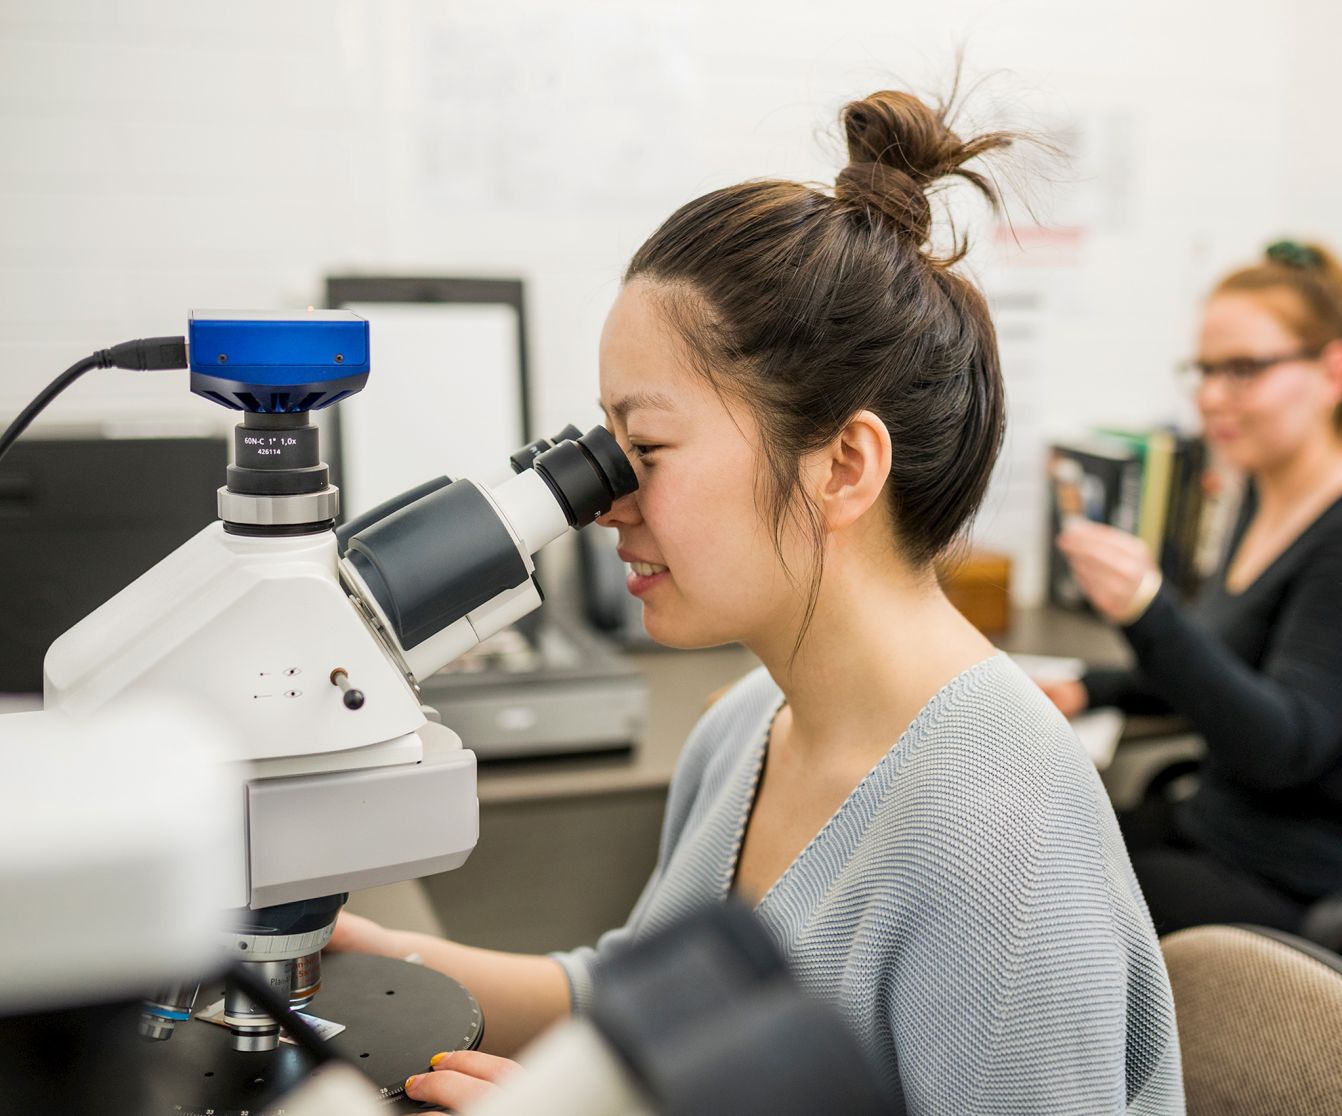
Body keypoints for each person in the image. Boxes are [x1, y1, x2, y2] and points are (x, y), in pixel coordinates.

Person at [333, 89, 1183, 1115]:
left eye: (643, 449)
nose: (607, 504)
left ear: (843, 467)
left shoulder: (997, 836)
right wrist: (393, 963)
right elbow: (642, 1002)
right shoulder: (748, 727)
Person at [1043, 239, 1342, 936]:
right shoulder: (1261, 497)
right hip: (1229, 842)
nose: (1209, 397)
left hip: (1320, 895)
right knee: (1032, 843)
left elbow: (1279, 747)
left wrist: (1147, 610)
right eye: (1203, 371)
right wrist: (1090, 687)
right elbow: (1222, 667)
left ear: (1333, 372)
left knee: (1048, 896)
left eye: (1243, 370)